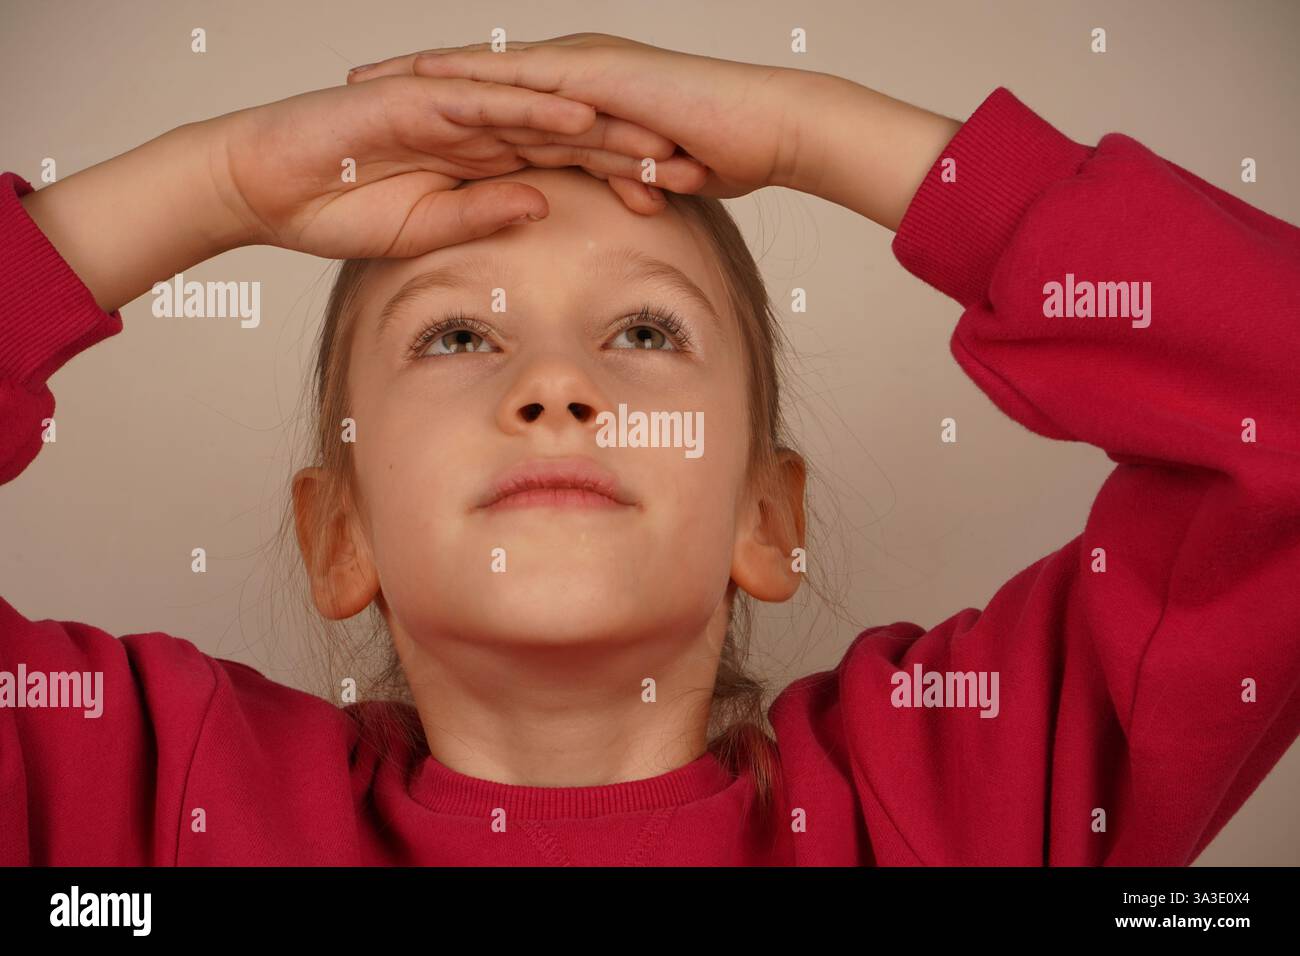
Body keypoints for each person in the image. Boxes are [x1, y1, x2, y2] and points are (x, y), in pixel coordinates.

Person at [2, 33, 1297, 866]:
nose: (557, 385)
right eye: (456, 337)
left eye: (641, 329)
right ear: (341, 534)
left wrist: (813, 127)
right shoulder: (152, 803)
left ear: (765, 518)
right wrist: (215, 184)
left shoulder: (962, 799)